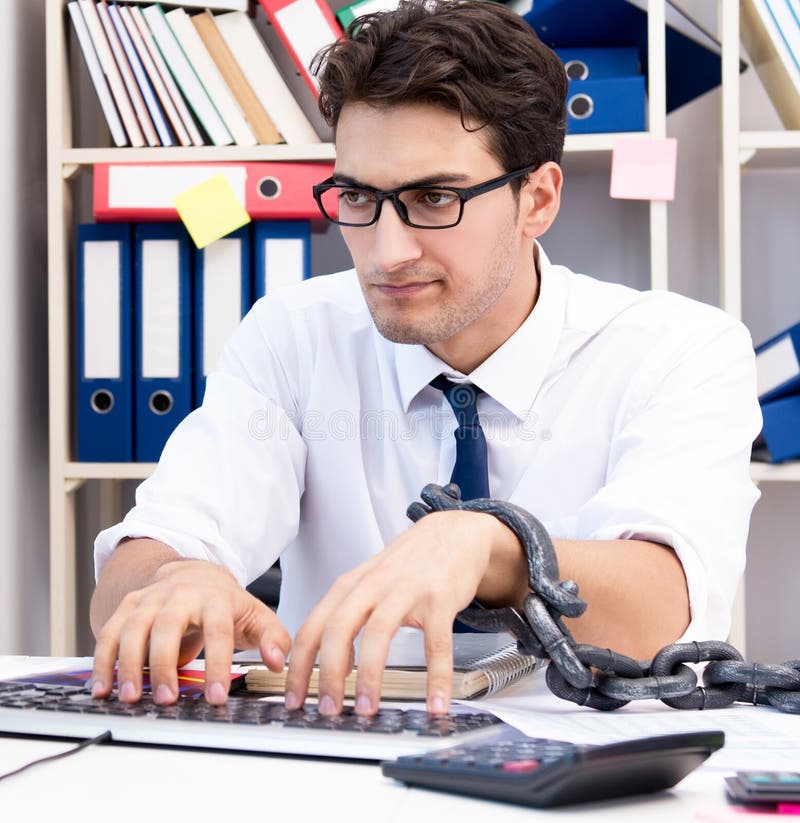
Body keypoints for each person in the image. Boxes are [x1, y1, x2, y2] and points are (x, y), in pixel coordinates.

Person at [90, 0, 761, 718]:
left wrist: (490, 546)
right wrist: (176, 577)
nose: (386, 253)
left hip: (593, 768)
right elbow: (127, 575)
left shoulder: (682, 348)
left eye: (434, 197)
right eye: (356, 196)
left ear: (536, 199)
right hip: (345, 756)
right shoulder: (291, 334)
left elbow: (664, 610)